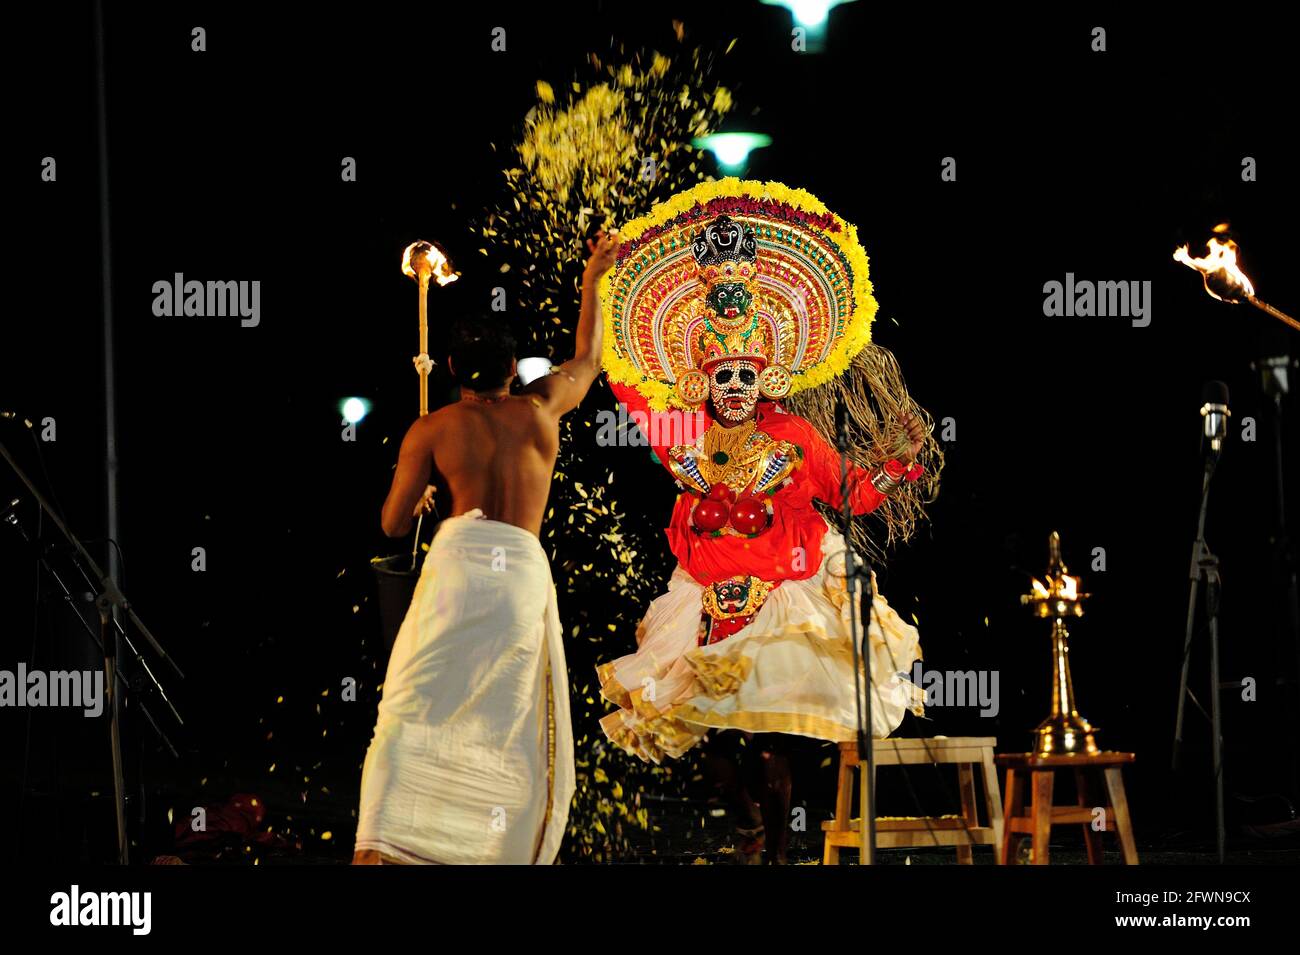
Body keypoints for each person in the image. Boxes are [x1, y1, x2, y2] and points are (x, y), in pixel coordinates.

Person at [596, 184, 937, 864]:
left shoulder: (794, 434)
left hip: (782, 594)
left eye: (746, 374)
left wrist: (898, 466)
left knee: (774, 735)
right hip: (704, 598)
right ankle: (751, 826)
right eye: (722, 373)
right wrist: (601, 299)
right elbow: (625, 386)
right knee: (703, 737)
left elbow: (850, 491)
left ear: (767, 377)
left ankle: (779, 850)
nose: (733, 387)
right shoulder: (681, 432)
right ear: (701, 379)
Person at [353, 230, 622, 864]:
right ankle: (492, 846)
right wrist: (592, 282)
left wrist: (420, 499)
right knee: (507, 719)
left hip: (459, 571)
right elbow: (588, 360)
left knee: (413, 709)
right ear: (514, 369)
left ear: (449, 369)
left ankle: (389, 843)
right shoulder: (540, 412)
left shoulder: (433, 428)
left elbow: (393, 526)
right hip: (519, 579)